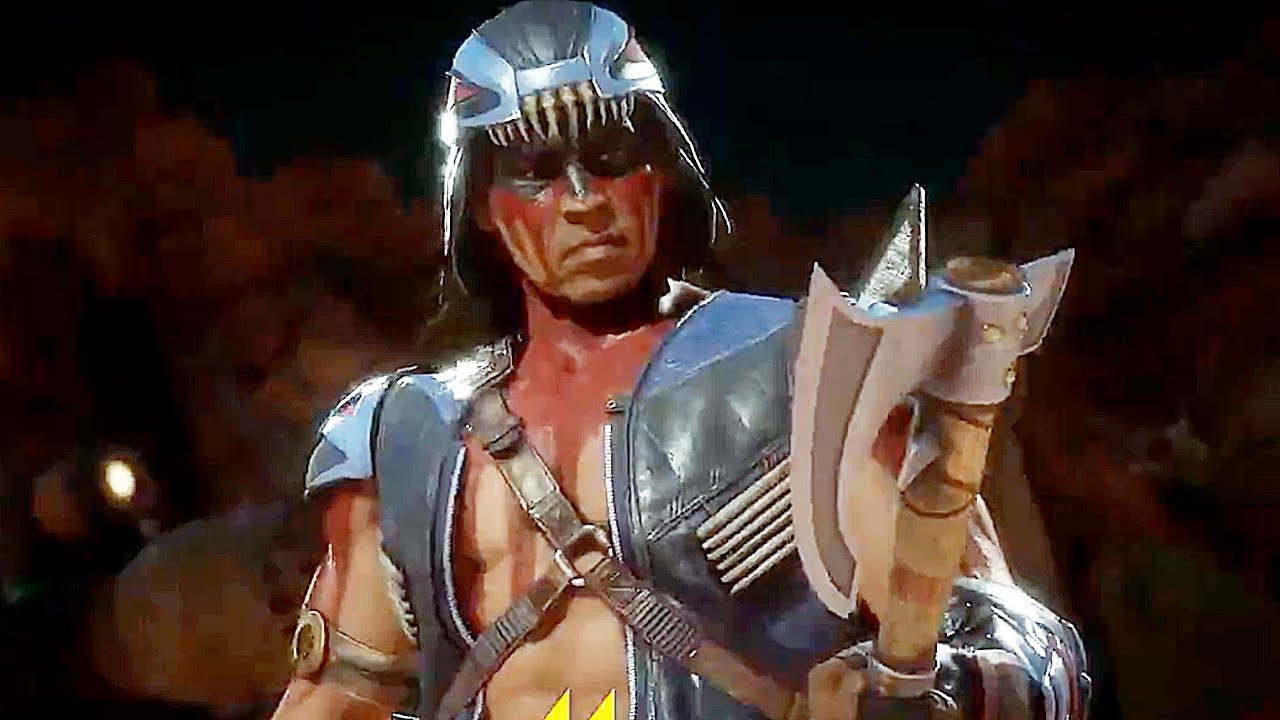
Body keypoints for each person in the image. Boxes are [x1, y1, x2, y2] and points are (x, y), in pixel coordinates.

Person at [270, 2, 1090, 719]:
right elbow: (333, 696)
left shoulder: (803, 374)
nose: (584, 200)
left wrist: (957, 685)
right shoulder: (408, 436)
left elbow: (1011, 638)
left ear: (659, 172)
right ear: (483, 204)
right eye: (537, 172)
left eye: (611, 158)